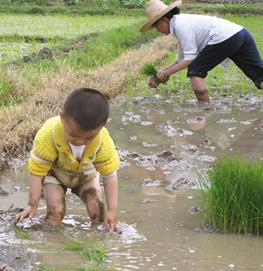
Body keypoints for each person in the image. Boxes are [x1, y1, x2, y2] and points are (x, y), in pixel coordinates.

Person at [18, 88, 120, 230]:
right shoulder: (49, 133)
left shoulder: (103, 139)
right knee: (56, 211)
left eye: (88, 138)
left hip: (85, 175)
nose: (79, 141)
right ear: (62, 117)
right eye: (73, 135)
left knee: (97, 209)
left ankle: (97, 239)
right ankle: (53, 241)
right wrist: (32, 205)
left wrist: (112, 211)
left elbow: (109, 175)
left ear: (102, 127)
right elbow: (37, 171)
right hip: (55, 174)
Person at [140, 0, 263, 102]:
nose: (157, 30)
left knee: (195, 70)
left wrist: (165, 74)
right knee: (258, 74)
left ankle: (204, 109)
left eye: (156, 26)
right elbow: (180, 59)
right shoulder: (180, 23)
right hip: (241, 33)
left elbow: (190, 58)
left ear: (163, 20)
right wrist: (159, 74)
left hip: (225, 37)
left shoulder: (180, 25)